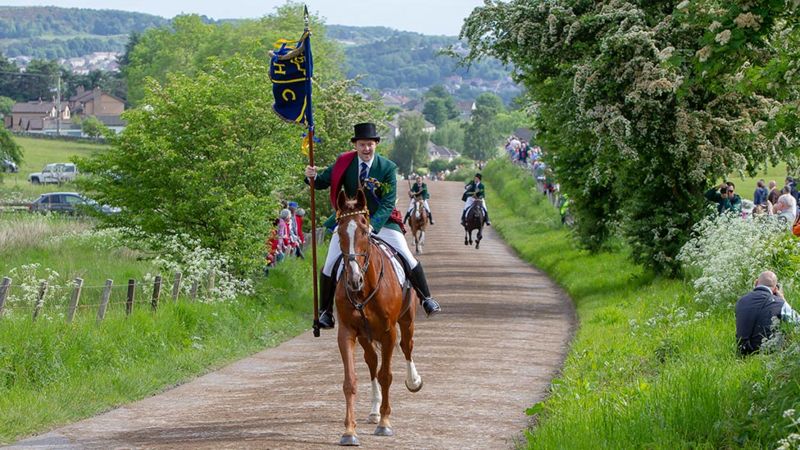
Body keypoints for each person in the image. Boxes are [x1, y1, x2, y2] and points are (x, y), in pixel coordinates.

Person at [304, 122, 441, 330]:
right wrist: (311, 176)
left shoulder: (387, 168)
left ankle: (427, 298)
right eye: (362, 145)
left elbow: (387, 203)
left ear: (376, 144)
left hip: (382, 222)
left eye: (370, 144)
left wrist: (372, 226)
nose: (366, 149)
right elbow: (323, 181)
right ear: (356, 145)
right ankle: (326, 313)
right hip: (350, 223)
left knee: (407, 256)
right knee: (330, 263)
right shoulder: (344, 163)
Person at [735, 271, 800, 355]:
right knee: (789, 333)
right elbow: (797, 321)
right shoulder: (779, 303)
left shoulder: (741, 301)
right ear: (776, 288)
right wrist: (783, 300)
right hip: (767, 352)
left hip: (742, 351)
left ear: (756, 282)